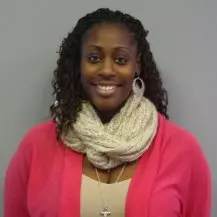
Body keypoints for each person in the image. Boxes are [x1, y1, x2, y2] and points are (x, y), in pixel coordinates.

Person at [4, 8, 211, 217]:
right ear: (79, 65)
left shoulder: (181, 150)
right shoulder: (36, 147)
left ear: (136, 65)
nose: (106, 70)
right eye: (94, 58)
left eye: (121, 59)